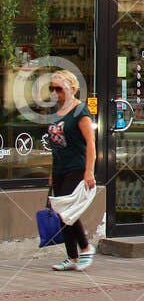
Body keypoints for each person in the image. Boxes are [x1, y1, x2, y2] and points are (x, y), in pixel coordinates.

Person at [43, 70, 96, 271]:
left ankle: (85, 247)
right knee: (60, 213)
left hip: (76, 166)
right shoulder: (56, 114)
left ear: (72, 88)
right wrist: (51, 172)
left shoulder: (79, 111)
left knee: (67, 212)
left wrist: (89, 171)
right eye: (52, 88)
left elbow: (91, 143)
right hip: (59, 168)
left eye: (60, 88)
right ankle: (72, 257)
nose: (56, 93)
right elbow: (56, 146)